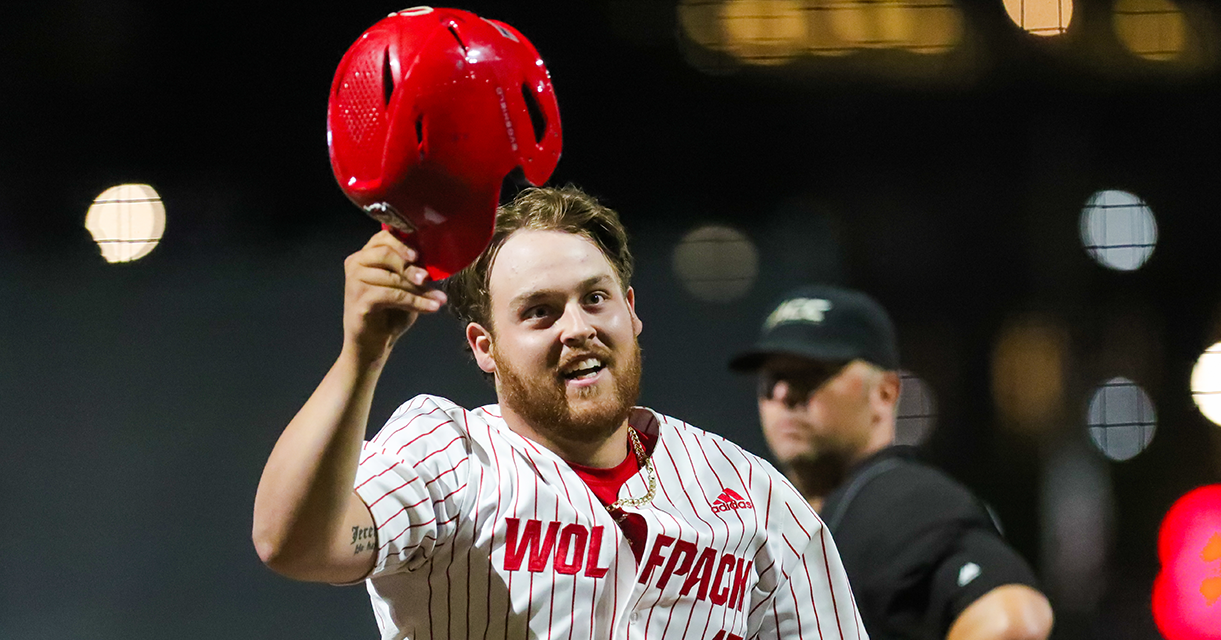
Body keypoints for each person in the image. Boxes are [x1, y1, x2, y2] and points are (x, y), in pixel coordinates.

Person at [252, 187, 867, 639]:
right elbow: (294, 543)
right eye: (539, 311)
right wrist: (361, 357)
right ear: (484, 348)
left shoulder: (750, 492)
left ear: (631, 311)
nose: (578, 329)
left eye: (595, 299)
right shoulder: (447, 453)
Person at [729, 285, 1054, 640]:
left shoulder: (906, 501)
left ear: (885, 392)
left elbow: (1014, 622)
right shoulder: (765, 510)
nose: (782, 394)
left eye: (809, 374)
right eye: (771, 378)